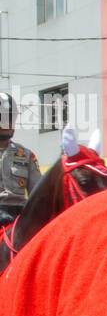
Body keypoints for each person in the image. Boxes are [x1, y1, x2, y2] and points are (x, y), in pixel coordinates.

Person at [0, 93, 41, 225]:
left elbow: (38, 194)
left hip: (21, 218)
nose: (9, 123)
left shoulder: (26, 155)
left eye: (12, 118)